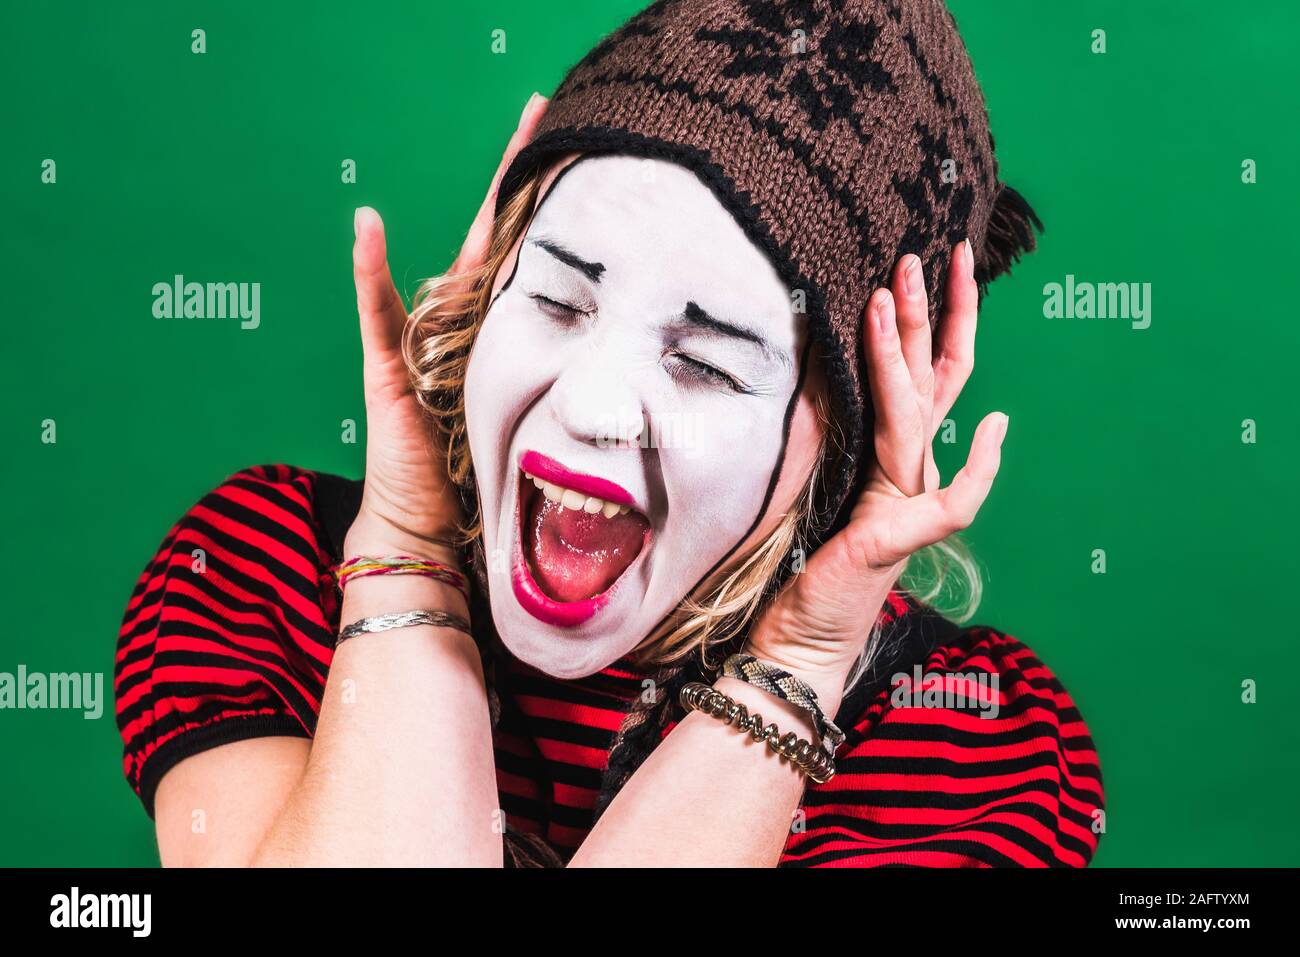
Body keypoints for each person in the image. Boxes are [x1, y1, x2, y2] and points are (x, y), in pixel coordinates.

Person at [115, 0, 1103, 867]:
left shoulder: (958, 736)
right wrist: (408, 556)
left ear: (850, 439)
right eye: (555, 297)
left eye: (708, 362)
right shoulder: (259, 574)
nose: (588, 408)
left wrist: (799, 665)